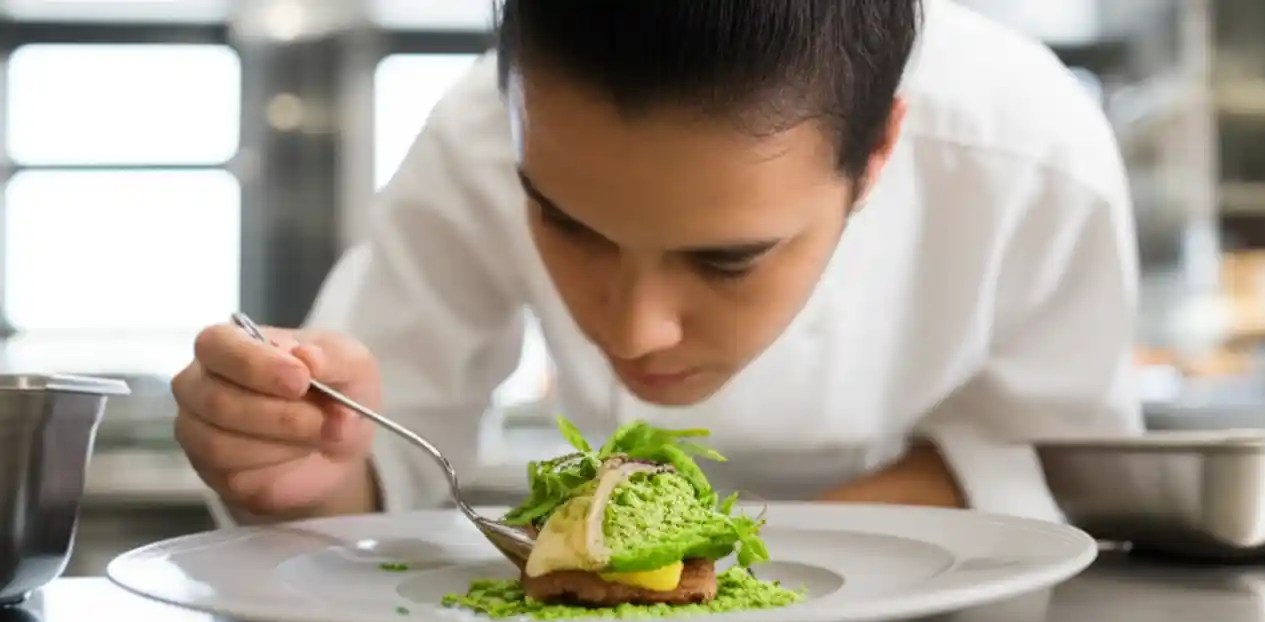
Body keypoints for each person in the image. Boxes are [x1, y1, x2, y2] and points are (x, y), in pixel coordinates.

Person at [172, 0, 1142, 525]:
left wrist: (708, 555)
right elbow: (386, 458)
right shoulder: (478, 133)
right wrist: (301, 469)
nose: (634, 331)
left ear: (875, 153)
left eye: (726, 259)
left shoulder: (1033, 156)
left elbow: (1051, 469)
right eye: (568, 225)